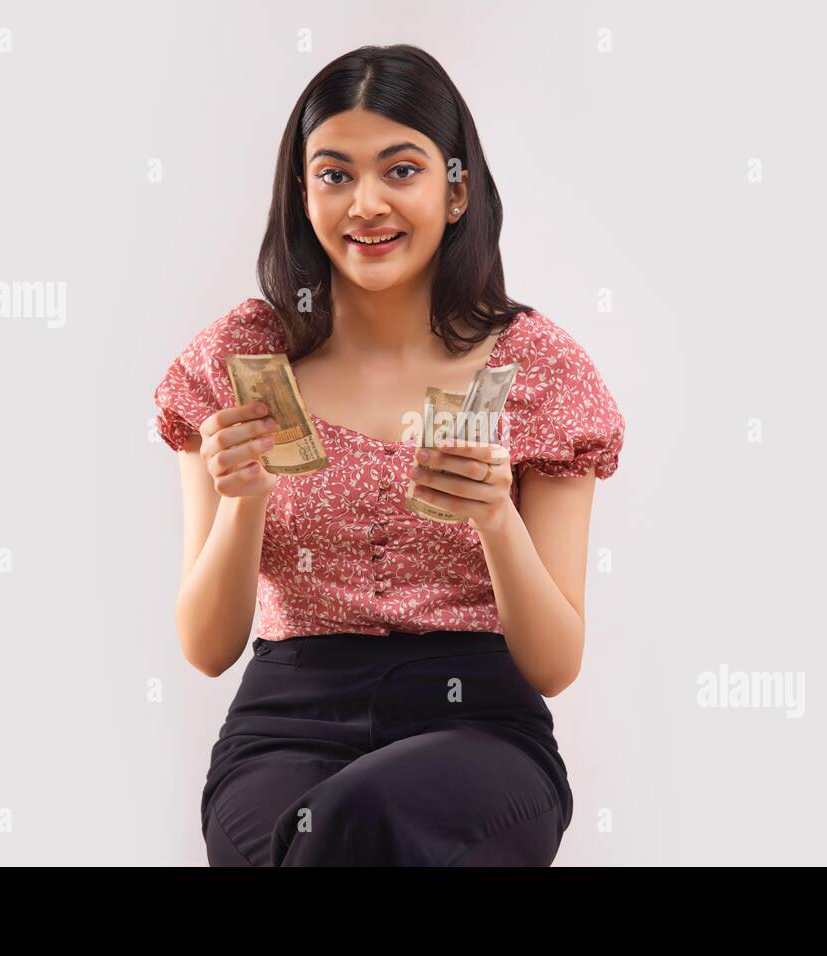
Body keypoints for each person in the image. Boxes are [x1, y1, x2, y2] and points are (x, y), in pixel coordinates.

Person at [152, 44, 625, 866]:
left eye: (399, 170)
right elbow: (206, 646)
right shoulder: (236, 358)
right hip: (285, 722)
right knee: (311, 833)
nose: (365, 203)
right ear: (302, 196)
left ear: (456, 189)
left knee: (351, 821)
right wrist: (246, 499)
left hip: (478, 724)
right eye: (334, 174)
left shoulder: (541, 371)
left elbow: (554, 664)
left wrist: (495, 521)